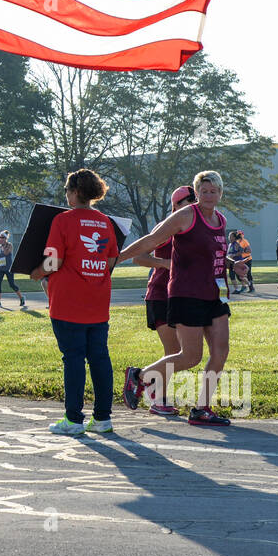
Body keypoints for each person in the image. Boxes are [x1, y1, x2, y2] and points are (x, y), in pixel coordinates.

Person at [117, 169, 234, 427]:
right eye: (203, 191)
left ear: (220, 193)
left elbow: (212, 253)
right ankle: (140, 376)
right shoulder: (186, 215)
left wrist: (234, 264)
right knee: (190, 356)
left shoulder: (221, 220)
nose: (208, 195)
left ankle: (202, 408)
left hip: (214, 295)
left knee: (220, 351)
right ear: (197, 193)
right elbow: (150, 240)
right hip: (187, 293)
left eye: (213, 191)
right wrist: (116, 258)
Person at [29, 169, 120, 434]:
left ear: (75, 191)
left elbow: (53, 260)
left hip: (68, 301)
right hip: (98, 301)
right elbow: (112, 260)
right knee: (100, 357)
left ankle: (73, 419)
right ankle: (103, 419)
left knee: (73, 359)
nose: (66, 195)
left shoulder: (62, 220)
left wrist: (37, 272)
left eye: (67, 190)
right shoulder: (105, 222)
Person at [140, 186, 194, 415]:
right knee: (174, 349)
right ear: (176, 205)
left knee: (184, 352)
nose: (193, 203)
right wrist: (165, 264)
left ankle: (150, 386)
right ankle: (154, 394)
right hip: (160, 295)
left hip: (181, 296)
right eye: (189, 200)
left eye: (195, 199)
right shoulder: (167, 228)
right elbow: (139, 258)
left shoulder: (194, 229)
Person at [0, 231, 25, 308]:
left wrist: (3, 246)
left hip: (8, 268)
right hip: (0, 267)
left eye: (2, 237)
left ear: (5, 238)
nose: (0, 239)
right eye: (0, 237)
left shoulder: (9, 245)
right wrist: (1, 245)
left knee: (11, 284)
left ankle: (21, 297)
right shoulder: (0, 246)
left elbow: (7, 253)